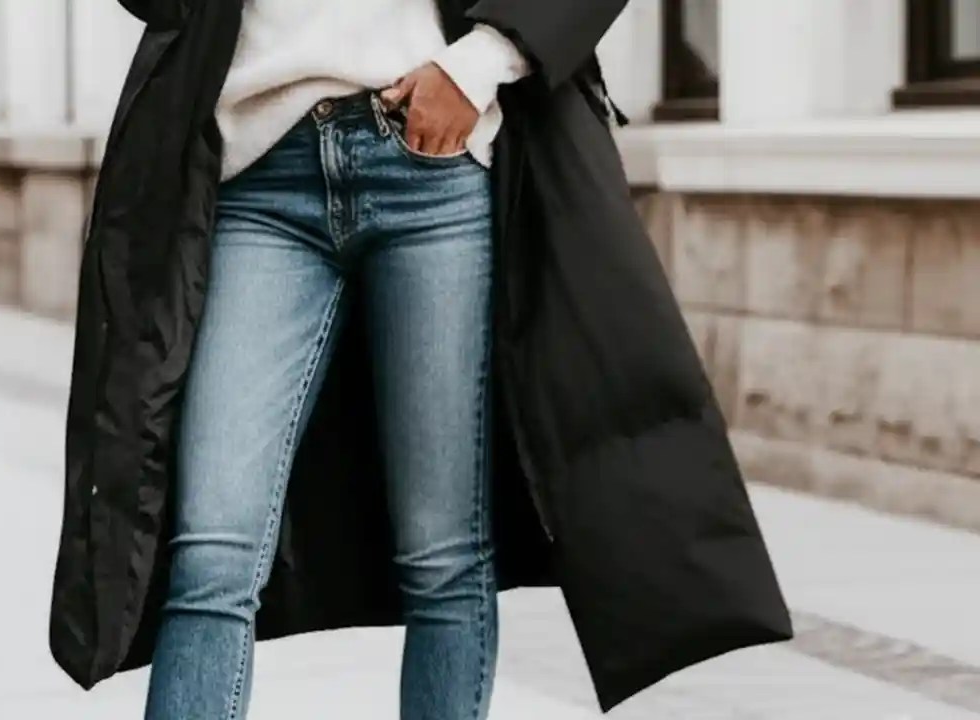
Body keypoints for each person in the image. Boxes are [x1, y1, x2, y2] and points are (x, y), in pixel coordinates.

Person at [49, 1, 794, 718]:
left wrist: (481, 62)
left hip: (430, 169)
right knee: (212, 551)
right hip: (258, 175)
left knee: (442, 556)